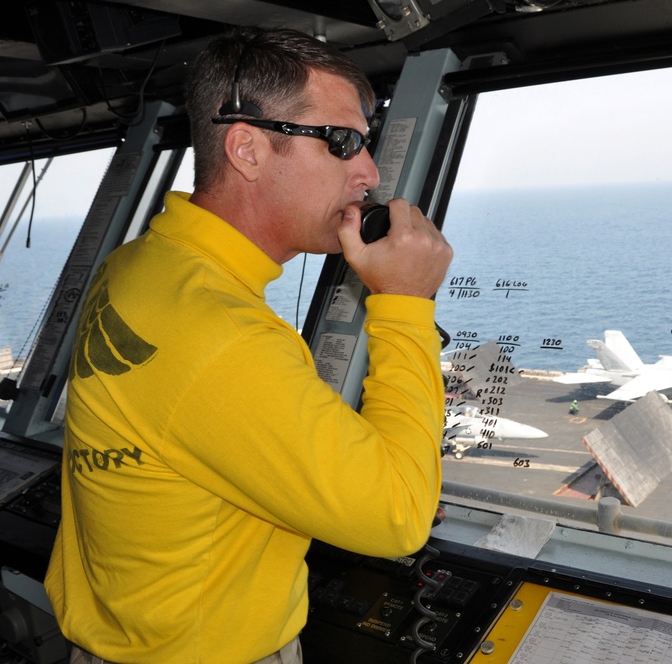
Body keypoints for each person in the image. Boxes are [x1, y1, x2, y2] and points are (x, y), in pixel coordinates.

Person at [44, 26, 453, 664]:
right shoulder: (221, 333)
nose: (369, 173)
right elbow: (397, 515)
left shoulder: (141, 265)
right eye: (343, 142)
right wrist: (405, 305)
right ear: (248, 149)